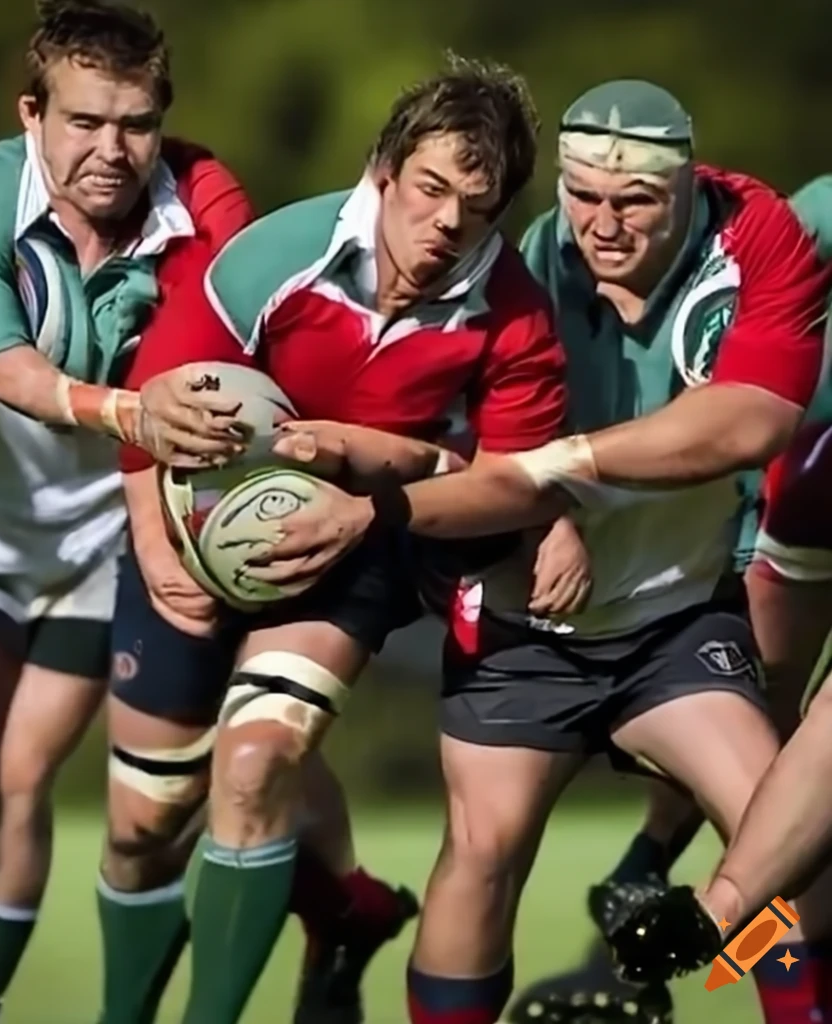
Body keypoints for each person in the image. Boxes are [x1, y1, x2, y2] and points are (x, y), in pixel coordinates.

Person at [249, 80, 832, 1024]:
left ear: (684, 186)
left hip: (676, 623)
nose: (603, 223)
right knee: (484, 853)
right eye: (583, 195)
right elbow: (447, 451)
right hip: (525, 627)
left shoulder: (754, 236)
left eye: (634, 201)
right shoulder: (505, 280)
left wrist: (558, 467)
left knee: (781, 848)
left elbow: (748, 423)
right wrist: (520, 510)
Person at [118, 55, 572, 1024]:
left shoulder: (516, 316)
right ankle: (347, 911)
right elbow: (151, 406)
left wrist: (375, 483)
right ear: (383, 171)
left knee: (253, 763)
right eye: (430, 188)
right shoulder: (271, 256)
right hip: (192, 527)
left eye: (476, 207)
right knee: (145, 820)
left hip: (365, 543)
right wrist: (156, 546)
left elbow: (509, 490)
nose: (446, 222)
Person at [0, 2, 257, 1022]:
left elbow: (241, 342)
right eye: (84, 121)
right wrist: (127, 410)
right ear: (31, 113)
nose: (111, 150)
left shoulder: (204, 201)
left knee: (19, 778)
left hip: (96, 519)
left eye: (136, 124)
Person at [508, 172, 832, 1024]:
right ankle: (659, 878)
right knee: (774, 766)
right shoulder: (817, 215)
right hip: (789, 490)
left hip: (784, 487)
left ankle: (650, 873)